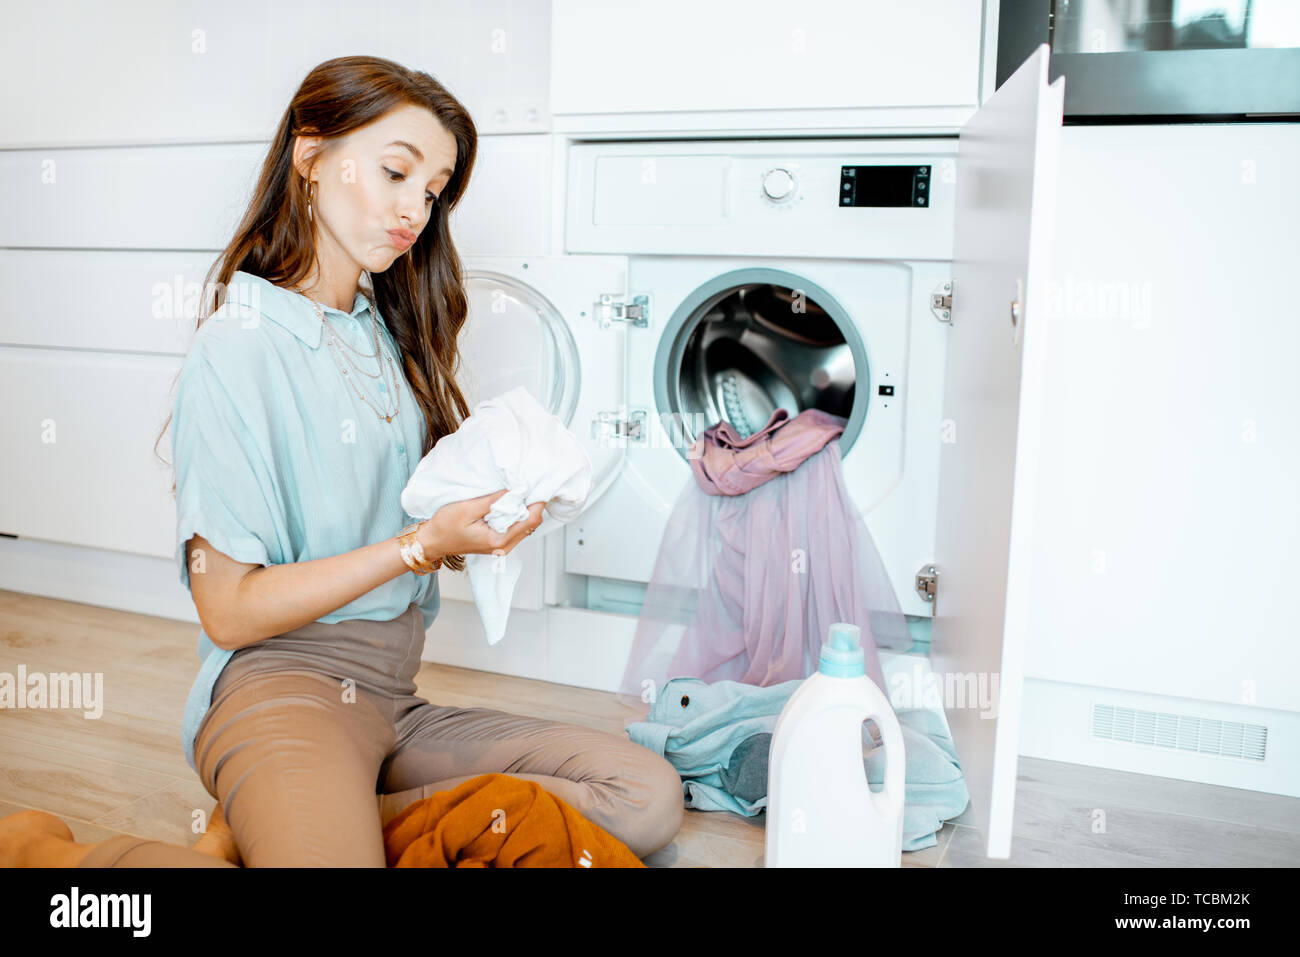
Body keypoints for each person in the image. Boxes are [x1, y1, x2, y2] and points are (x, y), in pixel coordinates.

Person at [0, 55, 683, 868]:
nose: (414, 210)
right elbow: (230, 611)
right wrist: (419, 546)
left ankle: (293, 827)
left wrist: (484, 516)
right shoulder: (237, 348)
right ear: (311, 155)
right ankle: (50, 854)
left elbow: (415, 515)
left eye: (432, 192)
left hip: (393, 693)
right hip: (278, 693)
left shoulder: (382, 331)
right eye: (396, 172)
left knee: (644, 796)